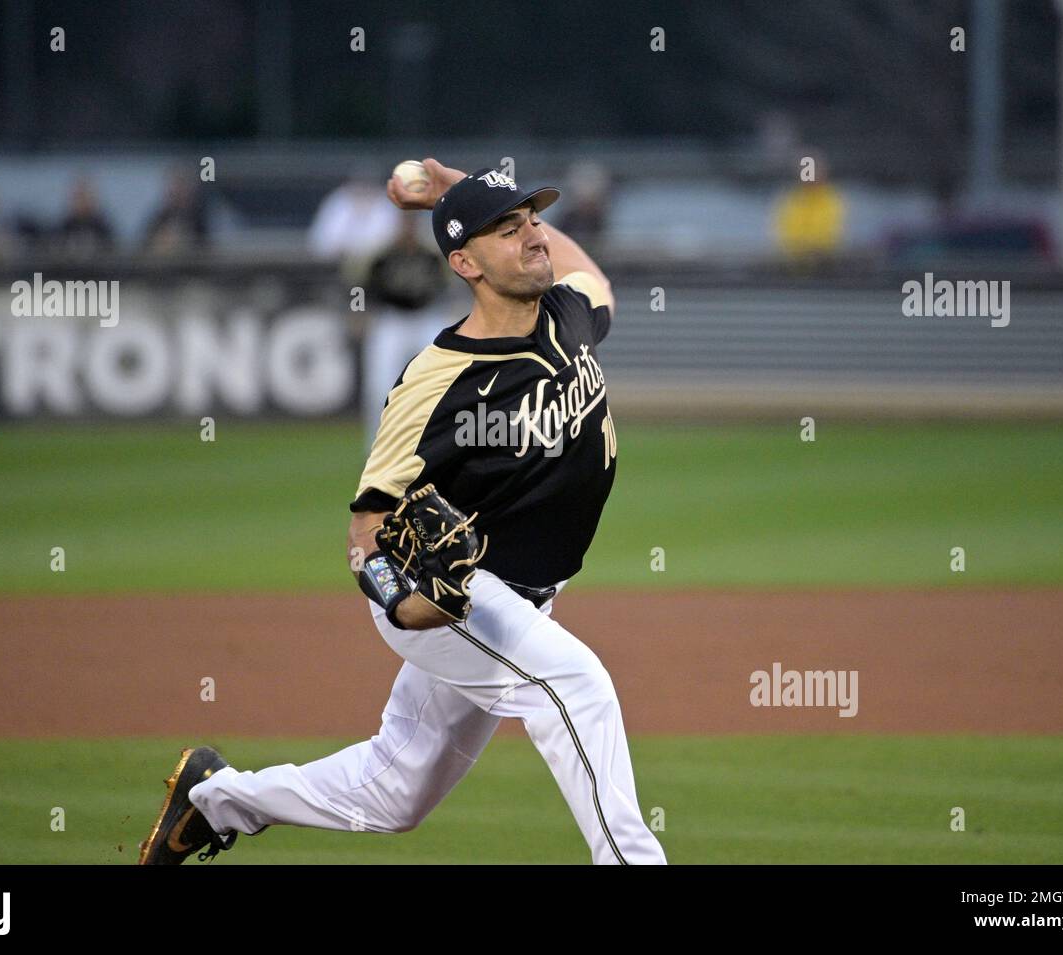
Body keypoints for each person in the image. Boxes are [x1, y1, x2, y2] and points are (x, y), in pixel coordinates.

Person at [138, 158, 667, 866]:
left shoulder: (568, 313)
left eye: (533, 219)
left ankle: (216, 797)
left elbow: (590, 273)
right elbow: (363, 532)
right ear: (464, 262)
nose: (534, 235)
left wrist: (452, 186)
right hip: (455, 598)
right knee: (578, 686)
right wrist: (404, 606)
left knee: (395, 791)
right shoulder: (434, 383)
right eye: (507, 228)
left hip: (524, 597)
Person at [357, 212, 451, 449]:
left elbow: (447, 286)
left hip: (426, 317)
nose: (407, 228)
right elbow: (359, 287)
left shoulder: (430, 254)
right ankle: (377, 447)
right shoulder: (382, 255)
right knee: (380, 385)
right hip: (392, 320)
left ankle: (441, 444)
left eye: (410, 223)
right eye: (403, 223)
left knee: (442, 380)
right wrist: (358, 312)